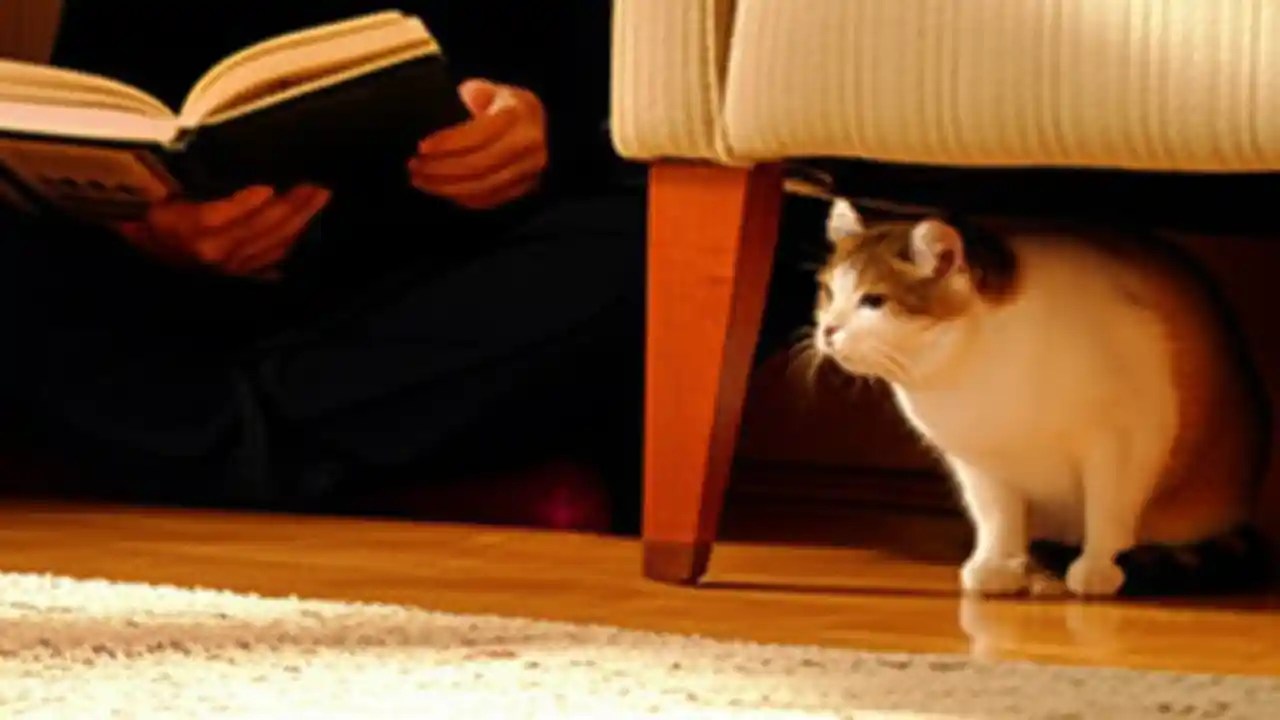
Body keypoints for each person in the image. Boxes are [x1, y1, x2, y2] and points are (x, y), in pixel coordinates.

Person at [0, 1, 820, 533]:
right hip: (207, 295)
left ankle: (203, 444)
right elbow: (98, 110)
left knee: (781, 231)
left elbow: (667, 110)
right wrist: (150, 224)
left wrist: (549, 140)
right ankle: (355, 464)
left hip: (463, 292)